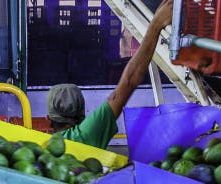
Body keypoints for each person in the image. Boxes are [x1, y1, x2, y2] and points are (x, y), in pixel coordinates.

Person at [46, 0, 174, 150]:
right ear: (82, 114)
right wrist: (156, 25)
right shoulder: (88, 134)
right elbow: (129, 81)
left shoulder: (41, 147)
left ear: (48, 119)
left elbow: (129, 81)